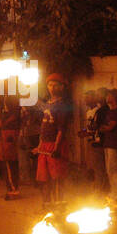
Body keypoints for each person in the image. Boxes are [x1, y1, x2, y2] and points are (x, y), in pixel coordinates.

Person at [37, 74, 74, 208]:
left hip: (56, 144)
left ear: (61, 87)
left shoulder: (63, 105)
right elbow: (43, 127)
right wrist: (39, 145)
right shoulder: (47, 104)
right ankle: (47, 205)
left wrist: (56, 148)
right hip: (45, 145)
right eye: (49, 85)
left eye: (55, 85)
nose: (52, 88)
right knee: (43, 178)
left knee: (57, 178)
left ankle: (59, 206)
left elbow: (61, 129)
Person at [0, 94, 22, 200]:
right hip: (7, 131)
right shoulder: (6, 95)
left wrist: (3, 124)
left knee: (9, 161)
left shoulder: (12, 95)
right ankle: (12, 188)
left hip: (10, 132)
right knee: (7, 160)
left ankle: (13, 190)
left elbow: (15, 114)